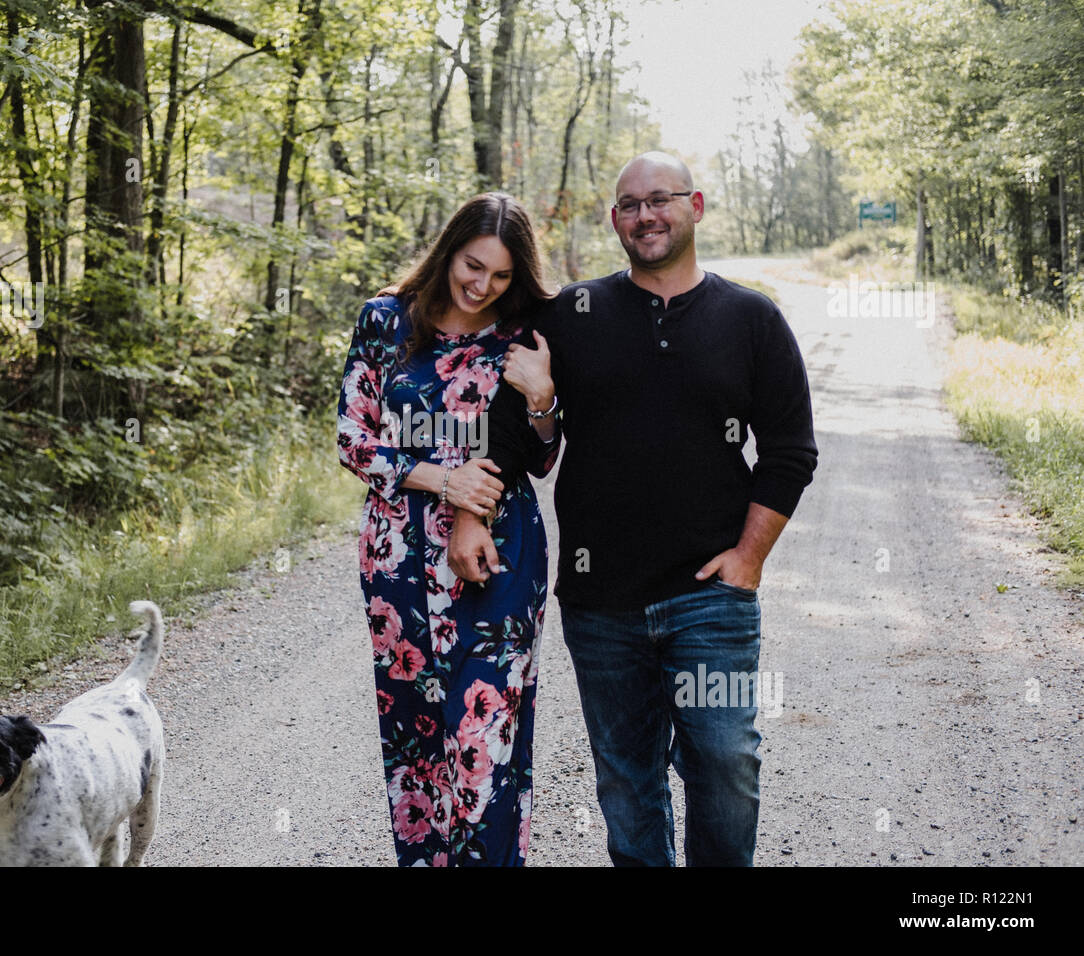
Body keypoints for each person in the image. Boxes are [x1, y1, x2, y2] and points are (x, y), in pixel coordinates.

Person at [449, 152, 818, 866]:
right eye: (629, 205)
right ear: (614, 219)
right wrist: (476, 505)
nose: (646, 216)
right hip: (601, 601)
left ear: (697, 206)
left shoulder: (751, 319)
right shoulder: (572, 316)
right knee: (627, 782)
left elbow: (790, 452)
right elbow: (511, 435)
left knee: (725, 765)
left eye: (661, 200)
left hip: (710, 595)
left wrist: (748, 558)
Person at [336, 192, 560, 866]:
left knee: (483, 730)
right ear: (448, 249)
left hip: (501, 549)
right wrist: (442, 479)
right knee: (416, 736)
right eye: (472, 265)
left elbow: (542, 457)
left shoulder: (522, 334)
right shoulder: (384, 321)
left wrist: (544, 399)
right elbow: (354, 439)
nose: (481, 285)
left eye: (499, 276)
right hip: (398, 555)